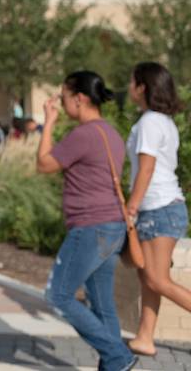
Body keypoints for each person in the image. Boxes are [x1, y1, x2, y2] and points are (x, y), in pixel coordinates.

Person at [37, 71, 137, 371]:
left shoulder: (83, 134)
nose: (61, 102)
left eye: (64, 96)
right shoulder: (110, 133)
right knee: (102, 302)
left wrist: (50, 122)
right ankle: (113, 365)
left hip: (90, 227)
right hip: (113, 227)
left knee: (58, 296)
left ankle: (117, 355)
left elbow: (44, 164)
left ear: (79, 99)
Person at [124, 62, 190, 357]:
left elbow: (147, 168)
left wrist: (131, 207)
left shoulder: (150, 122)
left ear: (143, 87)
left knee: (156, 279)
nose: (128, 87)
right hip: (164, 207)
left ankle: (145, 337)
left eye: (132, 81)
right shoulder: (161, 121)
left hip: (158, 207)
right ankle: (144, 338)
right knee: (149, 278)